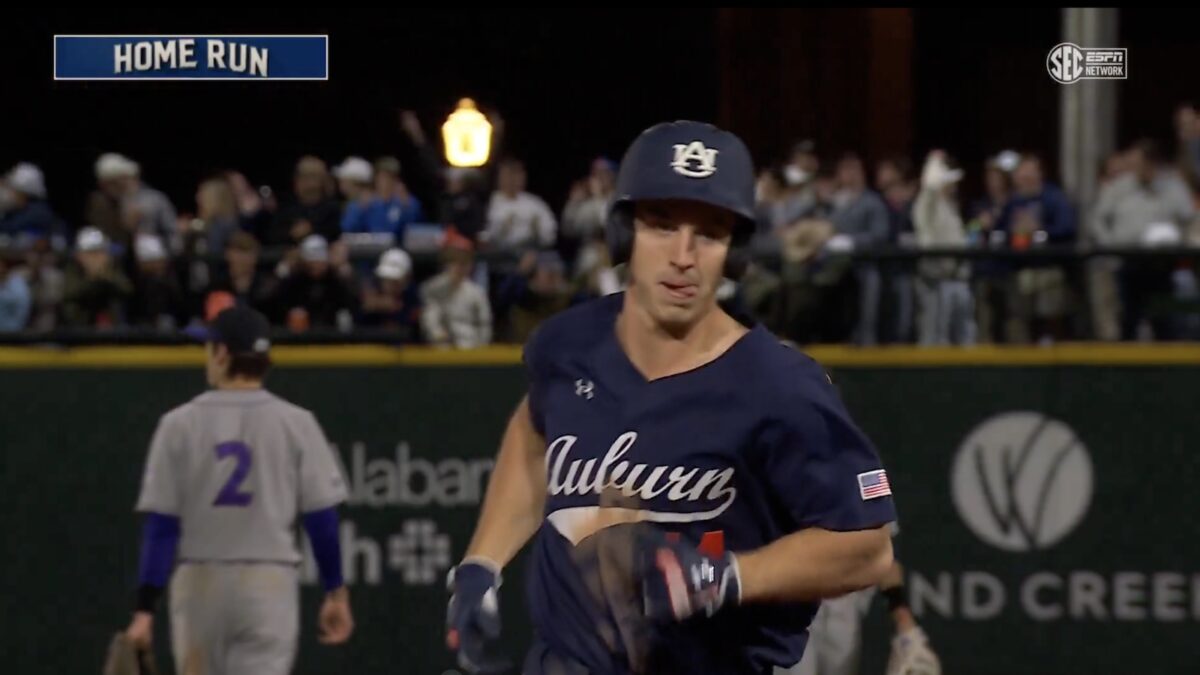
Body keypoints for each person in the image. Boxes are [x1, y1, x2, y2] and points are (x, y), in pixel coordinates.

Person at [445, 121, 896, 674]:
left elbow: (868, 549)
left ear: (733, 251)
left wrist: (731, 575)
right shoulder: (567, 346)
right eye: (661, 225)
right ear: (623, 234)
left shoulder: (780, 384)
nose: (683, 255)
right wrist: (480, 566)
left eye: (708, 234)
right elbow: (535, 434)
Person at [123, 306, 354, 674]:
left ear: (223, 353)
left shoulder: (178, 424)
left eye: (209, 347)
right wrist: (335, 592)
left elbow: (162, 526)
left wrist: (144, 610)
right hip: (268, 582)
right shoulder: (296, 423)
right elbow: (321, 519)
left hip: (199, 584)